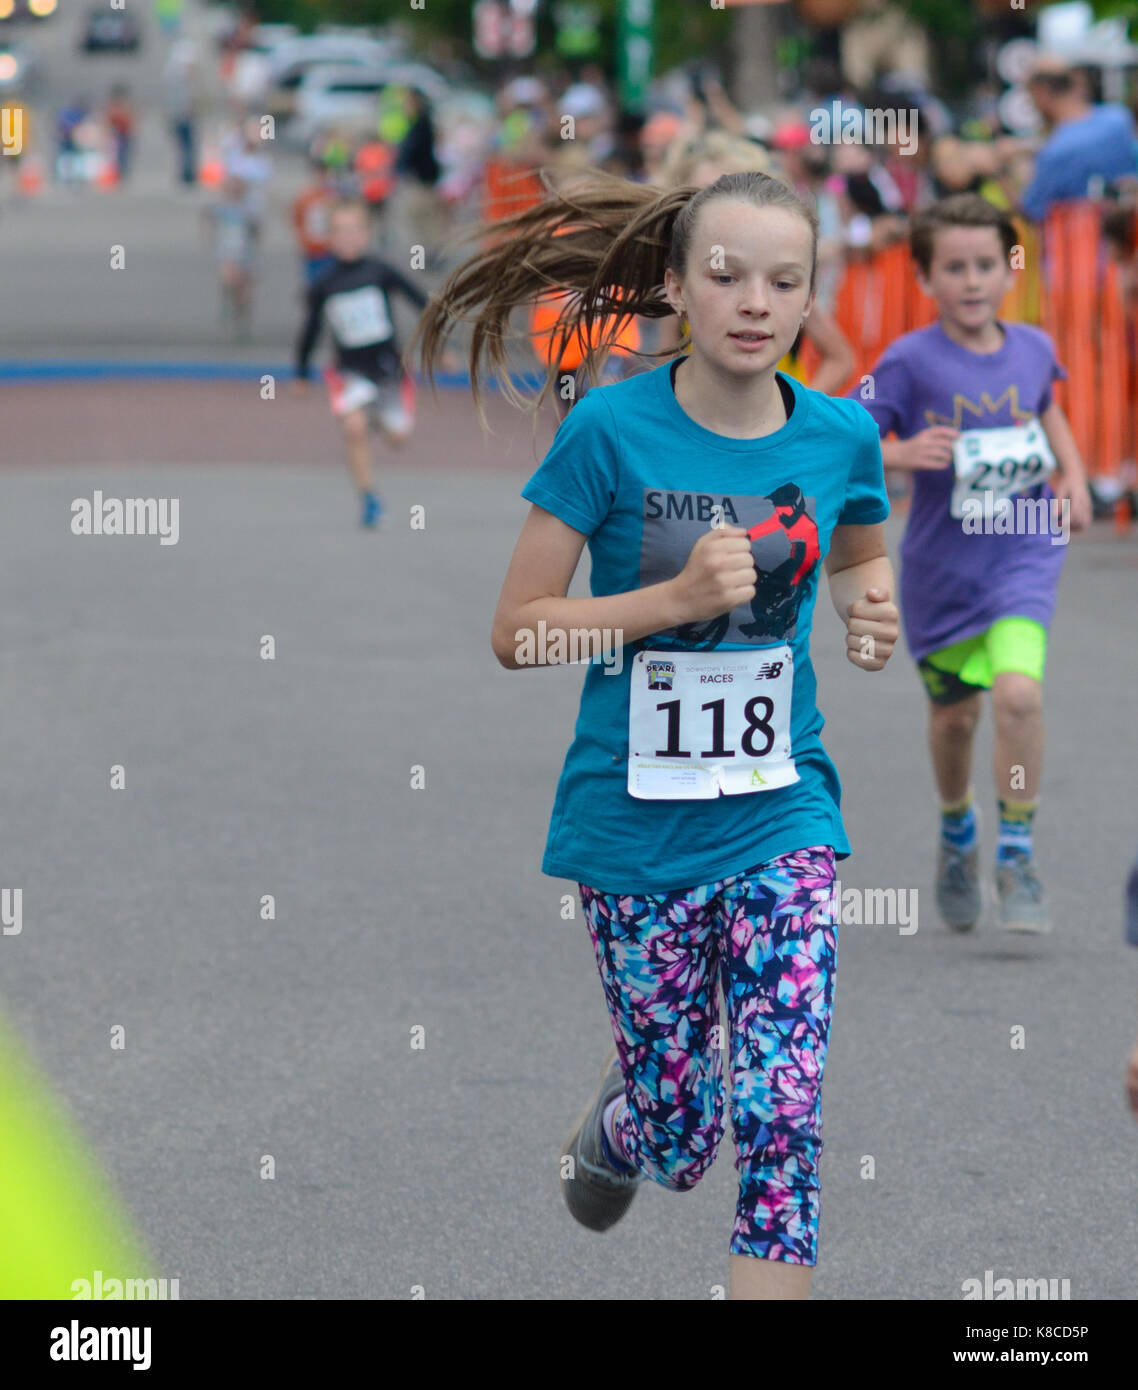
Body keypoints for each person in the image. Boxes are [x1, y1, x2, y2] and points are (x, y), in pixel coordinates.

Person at [413, 169, 899, 1299]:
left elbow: (861, 550)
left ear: (810, 296)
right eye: (725, 276)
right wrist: (668, 604)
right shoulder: (609, 429)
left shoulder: (837, 436)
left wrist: (869, 611)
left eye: (785, 281)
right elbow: (516, 633)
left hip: (784, 813)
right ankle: (627, 1121)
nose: (754, 302)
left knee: (780, 1113)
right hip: (634, 833)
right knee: (685, 1142)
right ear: (676, 287)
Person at [853, 193, 1092, 934]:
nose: (972, 280)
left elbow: (1048, 407)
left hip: (1023, 549)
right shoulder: (908, 361)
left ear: (1008, 270)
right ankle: (958, 830)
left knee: (1018, 696)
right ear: (925, 276)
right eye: (953, 267)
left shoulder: (1031, 345)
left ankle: (1015, 848)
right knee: (955, 719)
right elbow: (847, 434)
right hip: (940, 571)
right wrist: (898, 452)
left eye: (987, 264)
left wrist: (1074, 476)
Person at [291, 200, 432, 528]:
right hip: (349, 371)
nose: (348, 238)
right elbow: (310, 331)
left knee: (398, 438)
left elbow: (420, 301)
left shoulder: (380, 270)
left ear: (367, 234)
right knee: (353, 429)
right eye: (339, 231)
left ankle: (379, 417)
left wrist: (439, 350)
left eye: (355, 230)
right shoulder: (324, 283)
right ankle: (369, 499)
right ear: (329, 238)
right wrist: (300, 373)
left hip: (389, 368)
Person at [1021, 59, 1138, 223]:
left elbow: (1032, 211)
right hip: (1130, 233)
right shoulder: (1119, 118)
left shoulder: (1054, 152)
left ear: (1041, 92)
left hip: (1083, 242)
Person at [203, 174, 258, 340]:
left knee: (244, 291)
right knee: (229, 280)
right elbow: (207, 217)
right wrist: (209, 238)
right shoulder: (221, 208)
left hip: (244, 254)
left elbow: (255, 231)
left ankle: (243, 321)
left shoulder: (247, 210)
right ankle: (228, 306)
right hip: (227, 253)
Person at [104, 84, 135, 185]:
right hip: (116, 135)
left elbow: (130, 120)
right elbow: (109, 120)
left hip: (124, 135)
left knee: (123, 156)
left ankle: (121, 174)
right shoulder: (113, 108)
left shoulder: (125, 108)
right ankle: (116, 175)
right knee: (116, 157)